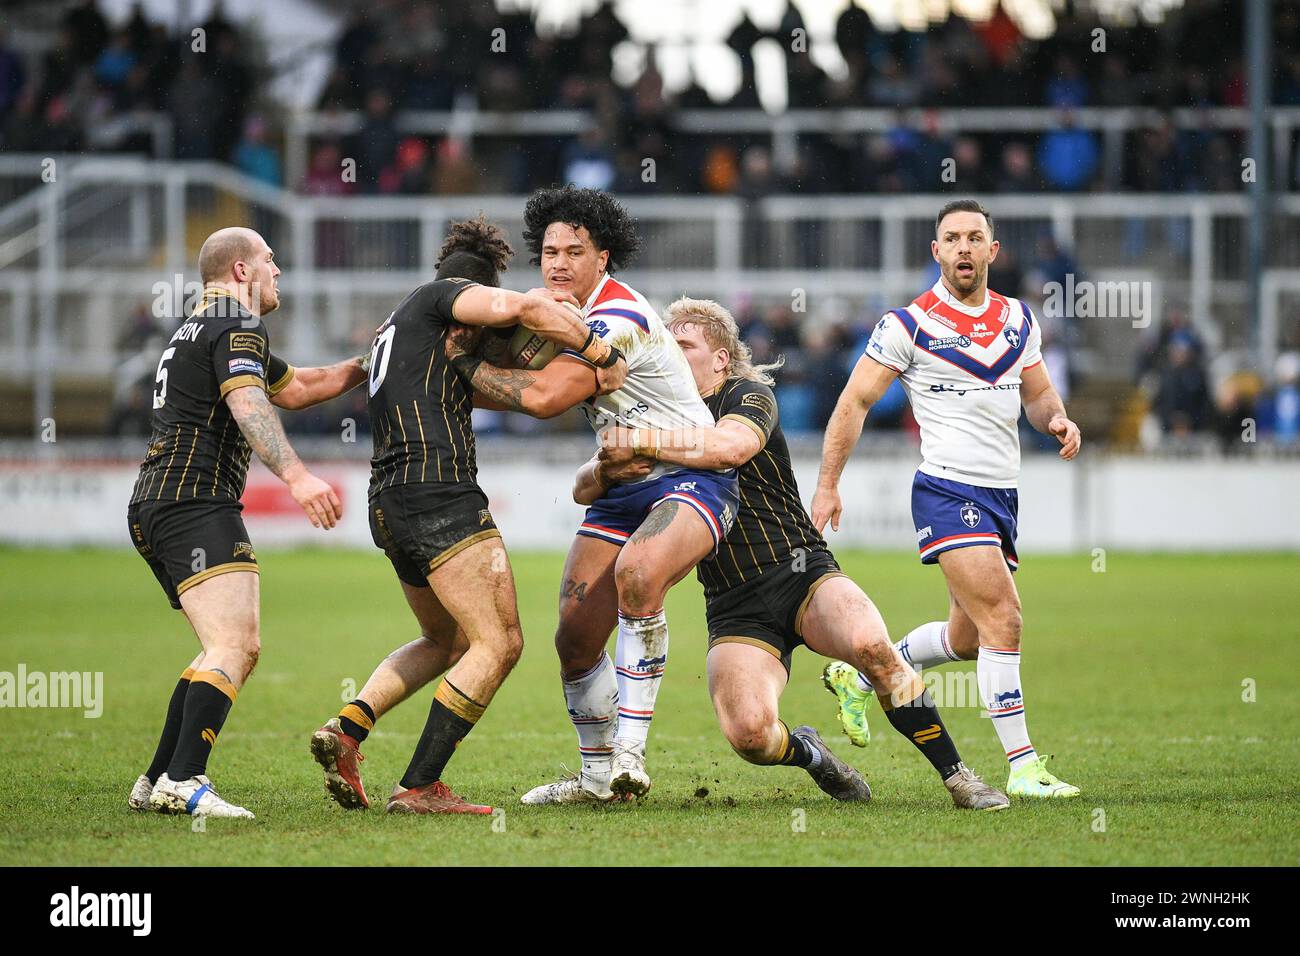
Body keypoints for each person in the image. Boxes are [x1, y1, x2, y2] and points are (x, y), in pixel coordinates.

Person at [588, 298, 1008, 809]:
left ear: (721, 359)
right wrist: (606, 467)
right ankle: (813, 755)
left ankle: (958, 777)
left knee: (875, 650)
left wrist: (640, 444)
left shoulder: (747, 395)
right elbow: (584, 488)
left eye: (685, 346)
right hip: (733, 603)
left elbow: (730, 449)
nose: (672, 355)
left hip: (801, 570)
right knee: (750, 736)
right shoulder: (647, 417)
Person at [309, 216, 626, 814]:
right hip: (439, 494)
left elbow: (512, 387)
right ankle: (419, 786)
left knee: (444, 639)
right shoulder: (443, 298)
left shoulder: (395, 331)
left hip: (389, 502)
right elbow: (529, 309)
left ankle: (346, 731)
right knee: (500, 642)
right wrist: (597, 349)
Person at [450, 186, 738, 803]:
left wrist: (464, 367)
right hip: (620, 483)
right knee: (574, 639)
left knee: (638, 575)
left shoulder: (620, 318)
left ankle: (630, 755)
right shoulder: (552, 312)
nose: (557, 263)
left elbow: (545, 396)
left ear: (602, 259)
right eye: (549, 250)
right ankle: (597, 778)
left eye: (574, 252)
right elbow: (516, 378)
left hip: (690, 477)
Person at [813, 200, 1083, 800]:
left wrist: (1059, 421)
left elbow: (1037, 397)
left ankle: (863, 676)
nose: (963, 247)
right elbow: (854, 403)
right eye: (951, 238)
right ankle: (1023, 766)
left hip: (1000, 496)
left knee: (967, 640)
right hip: (945, 490)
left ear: (993, 251)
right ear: (935, 252)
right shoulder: (906, 325)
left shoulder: (1018, 319)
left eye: (974, 237)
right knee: (1005, 620)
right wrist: (829, 483)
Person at [127, 226, 365, 818]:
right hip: (195, 503)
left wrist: (371, 360)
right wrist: (299, 477)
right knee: (237, 644)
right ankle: (185, 780)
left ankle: (157, 778)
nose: (278, 271)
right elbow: (248, 402)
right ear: (240, 271)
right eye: (270, 259)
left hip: (158, 503)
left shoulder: (197, 328)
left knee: (219, 646)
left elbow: (301, 386)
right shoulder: (238, 325)